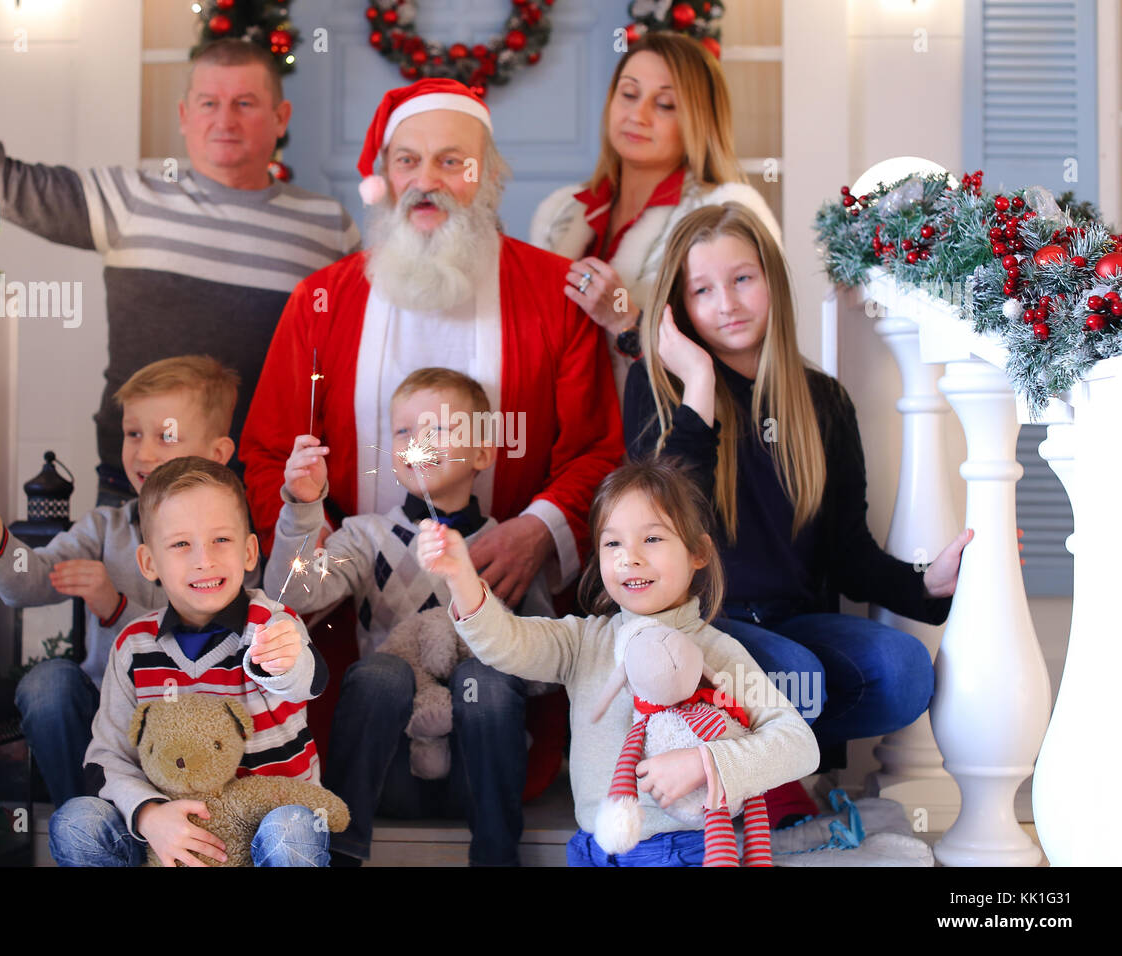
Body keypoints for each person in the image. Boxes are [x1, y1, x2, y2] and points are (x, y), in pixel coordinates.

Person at [0, 0, 360, 502]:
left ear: (281, 117)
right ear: (185, 115)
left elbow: (352, 371)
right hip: (135, 488)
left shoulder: (330, 229)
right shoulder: (127, 199)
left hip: (267, 494)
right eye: (209, 103)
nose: (225, 120)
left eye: (246, 103)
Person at [624, 201, 981, 781]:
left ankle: (761, 767)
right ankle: (751, 779)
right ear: (680, 307)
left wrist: (926, 584)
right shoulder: (659, 387)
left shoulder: (824, 400)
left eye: (742, 279)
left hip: (791, 621)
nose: (728, 303)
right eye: (703, 290)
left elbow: (846, 554)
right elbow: (660, 520)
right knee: (800, 675)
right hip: (702, 625)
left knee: (905, 670)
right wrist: (700, 384)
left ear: (771, 282)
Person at [242, 78, 624, 615]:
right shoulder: (320, 300)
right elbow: (271, 452)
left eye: (451, 162)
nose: (425, 181)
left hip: (511, 613)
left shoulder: (555, 294)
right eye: (407, 161)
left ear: (489, 174)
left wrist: (538, 530)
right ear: (386, 176)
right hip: (350, 621)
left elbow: (597, 450)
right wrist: (321, 554)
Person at [417, 459, 820, 866]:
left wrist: (705, 763)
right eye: (613, 544)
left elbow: (799, 745)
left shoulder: (717, 653)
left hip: (679, 851)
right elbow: (504, 642)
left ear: (698, 552)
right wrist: (461, 577)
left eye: (652, 539)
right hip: (593, 849)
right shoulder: (582, 640)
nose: (629, 558)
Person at [269, 367, 553, 866]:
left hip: (478, 771)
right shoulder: (364, 536)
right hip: (389, 775)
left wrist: (493, 648)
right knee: (383, 671)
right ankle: (338, 852)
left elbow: (549, 670)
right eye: (403, 431)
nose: (417, 441)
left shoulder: (509, 548)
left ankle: (497, 858)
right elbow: (288, 592)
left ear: (484, 453)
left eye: (438, 428)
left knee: (482, 677)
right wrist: (302, 505)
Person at [0, 355, 251, 808]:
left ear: (217, 453)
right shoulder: (106, 528)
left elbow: (213, 635)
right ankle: (88, 820)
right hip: (113, 726)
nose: (144, 453)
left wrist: (115, 609)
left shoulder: (228, 539)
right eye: (132, 434)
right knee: (49, 684)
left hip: (198, 726)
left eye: (165, 435)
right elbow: (29, 581)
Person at [48, 456, 328, 866]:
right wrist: (149, 816)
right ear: (149, 563)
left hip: (264, 830)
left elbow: (309, 679)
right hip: (163, 839)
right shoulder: (133, 646)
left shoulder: (272, 625)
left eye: (221, 540)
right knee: (76, 821)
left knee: (294, 830)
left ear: (249, 551)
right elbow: (106, 758)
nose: (204, 560)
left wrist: (285, 661)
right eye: (181, 544)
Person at [530, 32, 780, 406]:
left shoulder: (729, 209)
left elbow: (752, 355)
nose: (638, 115)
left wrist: (625, 319)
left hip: (671, 445)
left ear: (699, 119)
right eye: (629, 95)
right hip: (570, 443)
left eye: (665, 104)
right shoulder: (559, 212)